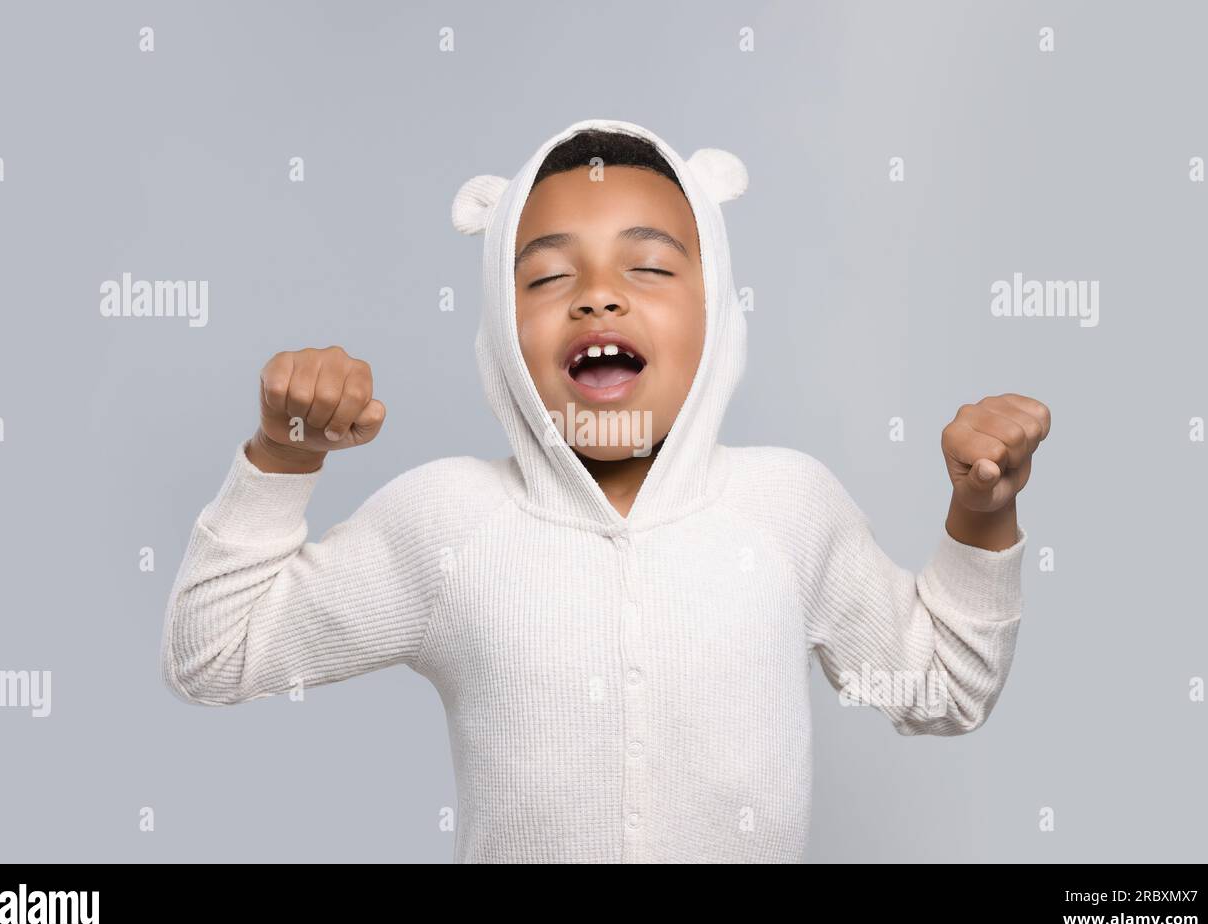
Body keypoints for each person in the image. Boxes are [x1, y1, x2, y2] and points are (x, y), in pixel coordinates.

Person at [161, 118, 1050, 863]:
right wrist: (283, 455)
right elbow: (215, 657)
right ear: (502, 329)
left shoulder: (788, 507)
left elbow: (942, 689)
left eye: (650, 268)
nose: (597, 299)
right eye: (548, 277)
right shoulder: (447, 521)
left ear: (718, 305)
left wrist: (983, 512)